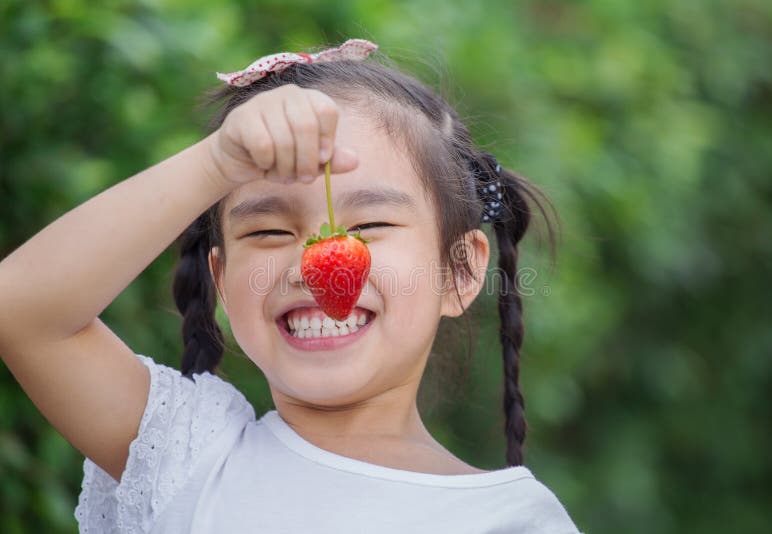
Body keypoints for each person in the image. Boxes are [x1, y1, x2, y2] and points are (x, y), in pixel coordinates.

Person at [0, 39, 581, 533]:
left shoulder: (509, 520)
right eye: (270, 229)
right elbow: (21, 309)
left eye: (370, 225)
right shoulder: (189, 457)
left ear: (457, 271)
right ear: (222, 283)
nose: (313, 260)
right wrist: (215, 164)